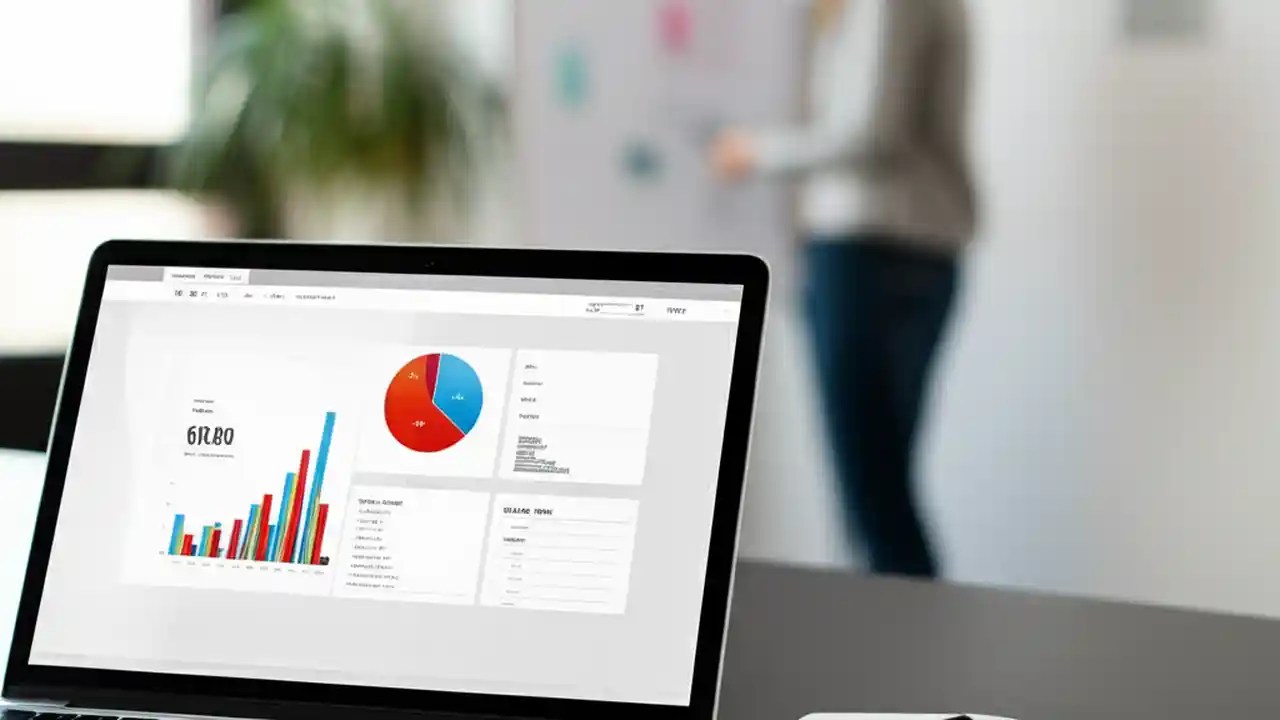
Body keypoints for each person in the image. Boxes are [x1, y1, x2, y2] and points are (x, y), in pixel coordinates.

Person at [709, 0, 976, 577]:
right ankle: (896, 655)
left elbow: (867, 130)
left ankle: (909, 658)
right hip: (909, 252)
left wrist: (754, 151)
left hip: (868, 252)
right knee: (878, 495)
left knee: (874, 505)